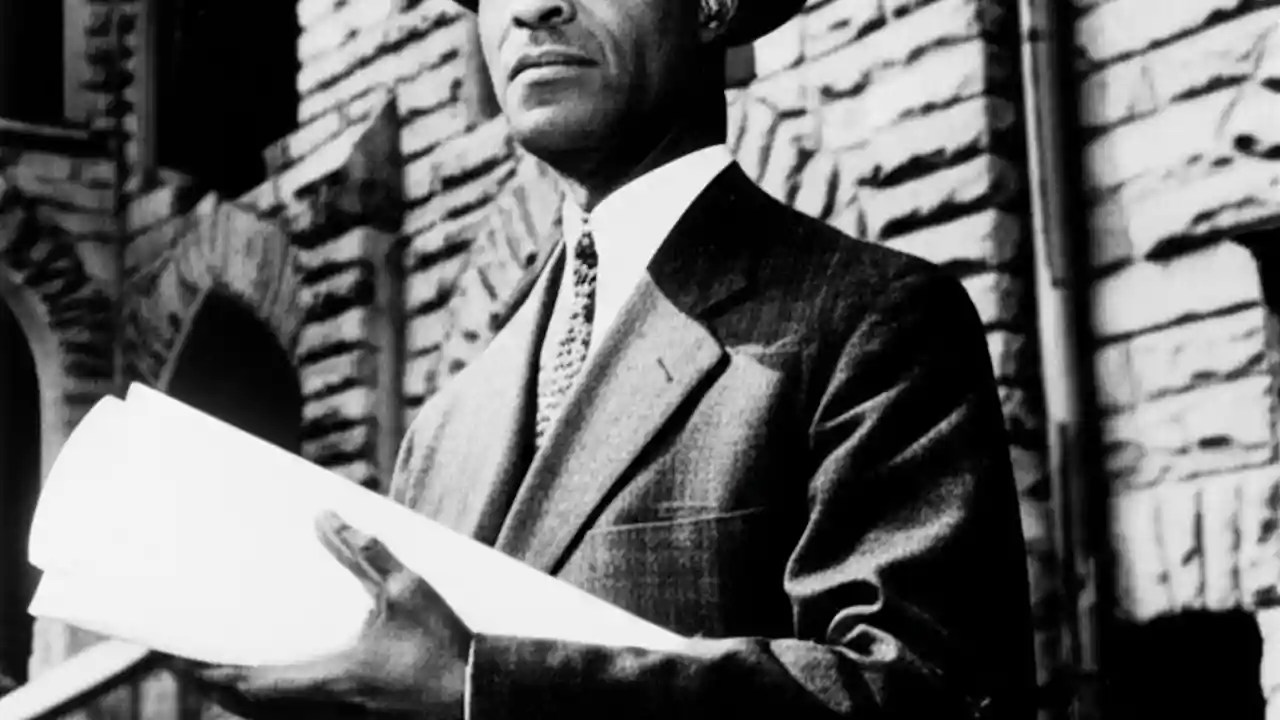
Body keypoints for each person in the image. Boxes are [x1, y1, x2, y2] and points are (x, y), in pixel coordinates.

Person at [185, 0, 1037, 717]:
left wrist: (481, 685)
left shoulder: (869, 323)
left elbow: (924, 694)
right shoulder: (446, 428)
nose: (530, 9)